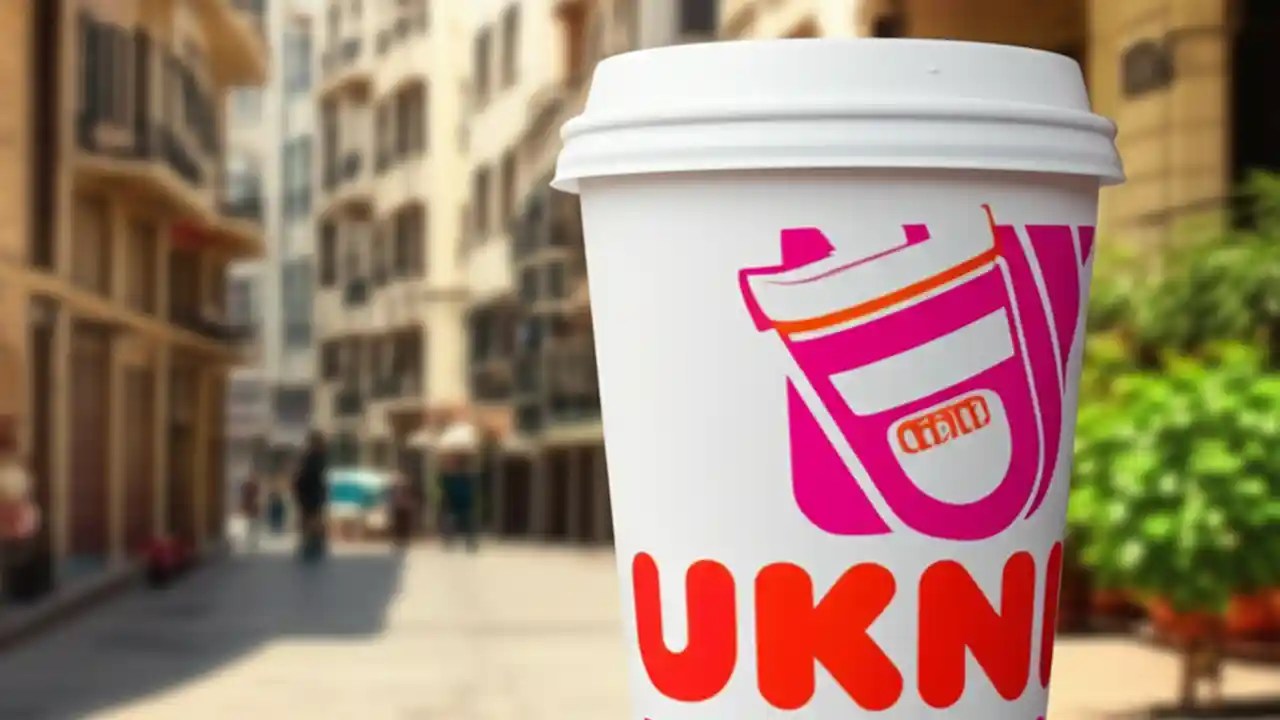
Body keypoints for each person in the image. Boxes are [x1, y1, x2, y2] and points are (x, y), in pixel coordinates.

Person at [293, 431, 329, 562]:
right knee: (313, 519)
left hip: (310, 495)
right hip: (311, 495)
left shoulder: (313, 458)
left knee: (311, 520)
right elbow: (308, 478)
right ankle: (312, 544)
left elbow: (305, 477)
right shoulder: (316, 458)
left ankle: (311, 544)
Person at [438, 452, 478, 551]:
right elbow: (443, 485)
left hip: (464, 504)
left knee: (468, 524)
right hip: (454, 504)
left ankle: (470, 543)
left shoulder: (467, 477)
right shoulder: (449, 477)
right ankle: (449, 542)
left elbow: (472, 488)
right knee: (451, 524)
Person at [239, 472, 262, 551]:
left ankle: (253, 542)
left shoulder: (252, 486)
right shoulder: (248, 486)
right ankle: (251, 542)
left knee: (253, 525)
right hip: (250, 508)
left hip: (252, 508)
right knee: (250, 525)